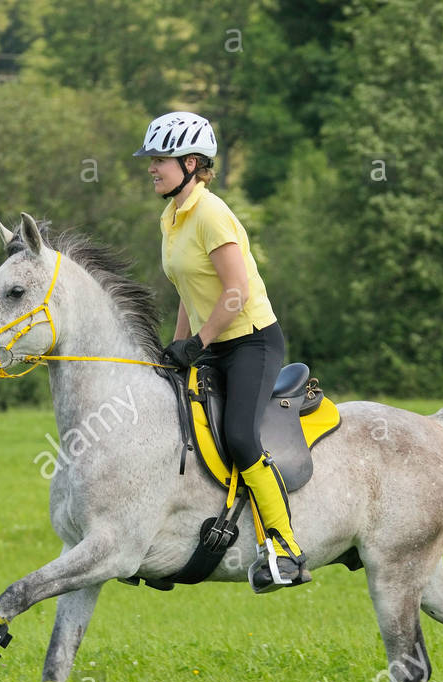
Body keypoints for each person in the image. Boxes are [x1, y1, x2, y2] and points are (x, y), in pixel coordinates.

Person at [134, 111, 310, 592]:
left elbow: (234, 292)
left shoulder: (211, 214)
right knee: (172, 419)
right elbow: (192, 291)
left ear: (191, 163)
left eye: (159, 160)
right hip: (213, 337)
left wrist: (198, 343)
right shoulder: (171, 217)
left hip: (250, 340)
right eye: (150, 160)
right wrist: (176, 347)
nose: (151, 168)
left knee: (238, 435)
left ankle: (286, 550)